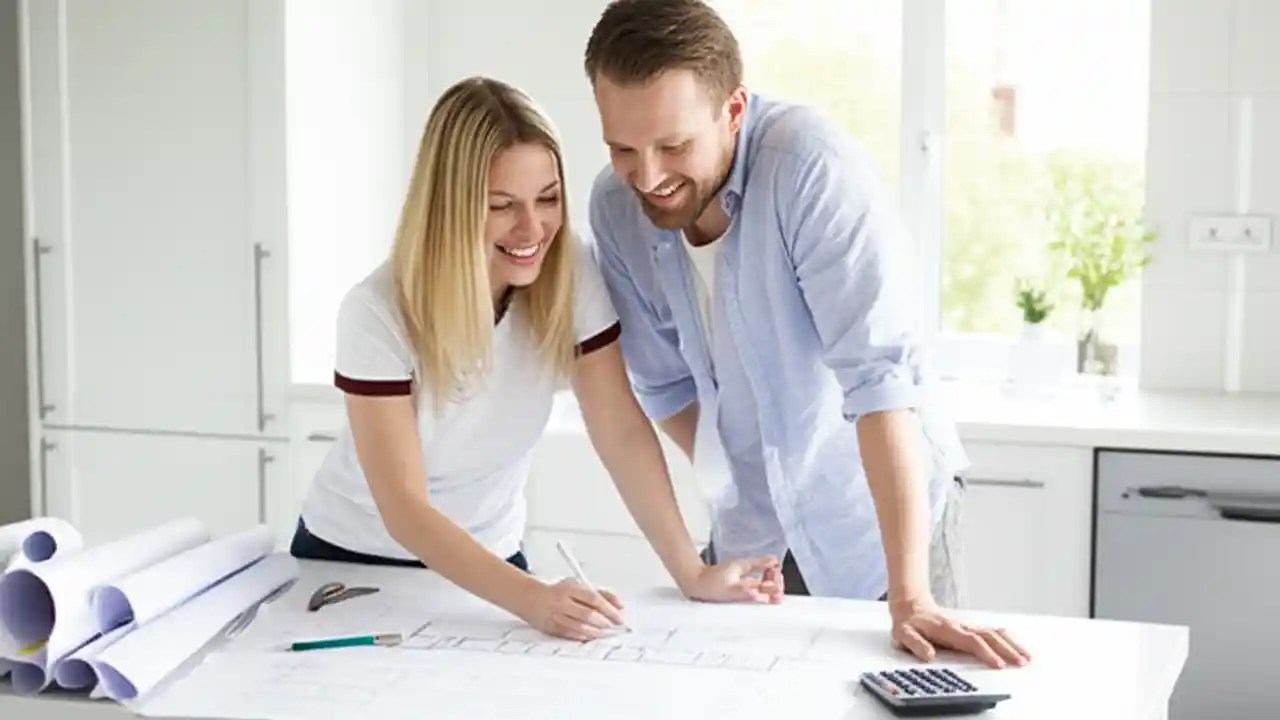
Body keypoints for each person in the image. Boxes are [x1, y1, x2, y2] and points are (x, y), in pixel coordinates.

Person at [582, 0, 1030, 668]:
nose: (648, 177)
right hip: (752, 540)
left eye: (674, 147)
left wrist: (911, 597)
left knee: (898, 693)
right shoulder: (617, 207)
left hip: (874, 525)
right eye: (622, 149)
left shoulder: (807, 167)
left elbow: (880, 381)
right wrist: (744, 469)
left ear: (733, 110)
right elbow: (666, 385)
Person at [290, 76, 782, 642]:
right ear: (449, 207)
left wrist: (691, 573)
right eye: (502, 206)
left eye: (548, 199)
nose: (533, 230)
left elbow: (620, 431)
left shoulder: (568, 270)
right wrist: (532, 599)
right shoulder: (377, 311)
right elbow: (403, 507)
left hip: (494, 559)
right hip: (354, 563)